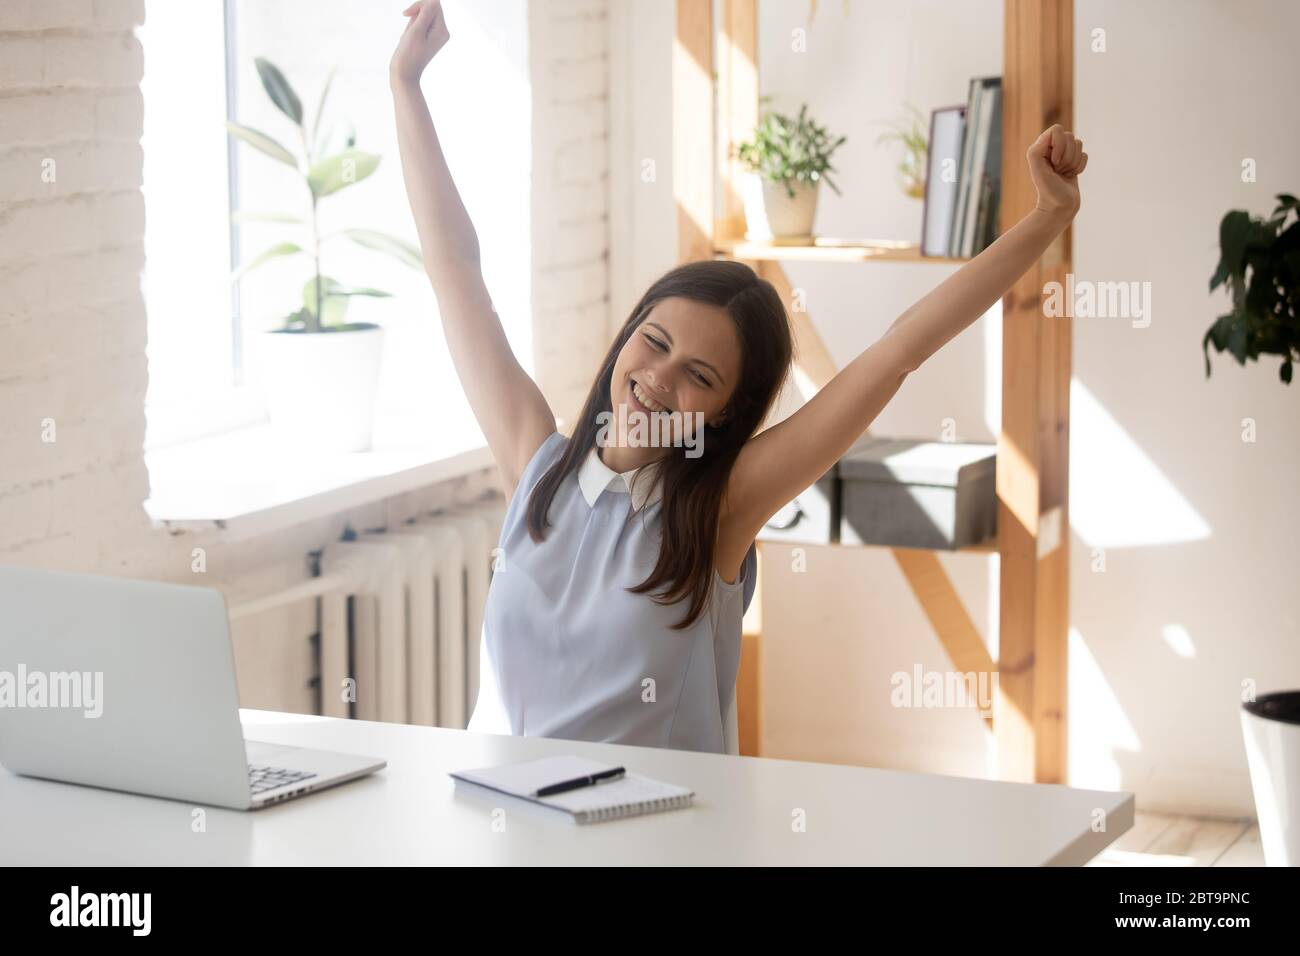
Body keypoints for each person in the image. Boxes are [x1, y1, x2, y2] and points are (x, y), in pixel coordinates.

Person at [390, 0, 1088, 753]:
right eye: (652, 341)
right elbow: (454, 266)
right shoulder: (536, 462)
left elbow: (897, 352)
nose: (656, 378)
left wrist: (1047, 220)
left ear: (724, 413)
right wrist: (407, 85)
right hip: (497, 829)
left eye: (698, 374)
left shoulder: (719, 511)